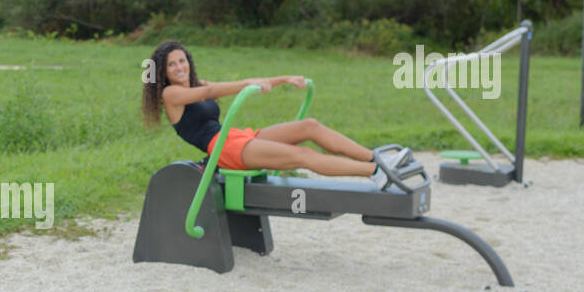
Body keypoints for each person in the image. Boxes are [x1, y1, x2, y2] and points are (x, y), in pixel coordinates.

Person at [141, 41, 409, 182]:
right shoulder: (170, 95)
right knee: (303, 155)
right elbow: (211, 94)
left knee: (309, 126)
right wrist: (247, 84)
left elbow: (221, 86)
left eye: (182, 60)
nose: (179, 67)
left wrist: (284, 78)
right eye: (171, 64)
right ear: (163, 72)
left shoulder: (197, 83)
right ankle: (375, 173)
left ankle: (376, 157)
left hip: (234, 138)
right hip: (224, 150)